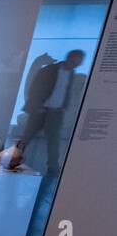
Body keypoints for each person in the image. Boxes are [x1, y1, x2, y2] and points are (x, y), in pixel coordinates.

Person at [16, 49, 85, 177]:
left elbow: (65, 91)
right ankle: (12, 159)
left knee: (54, 141)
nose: (77, 65)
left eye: (79, 63)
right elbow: (35, 88)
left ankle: (53, 168)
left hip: (56, 112)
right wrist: (37, 106)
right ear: (70, 58)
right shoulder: (49, 70)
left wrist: (63, 107)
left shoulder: (71, 73)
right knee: (27, 136)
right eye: (76, 61)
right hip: (40, 110)